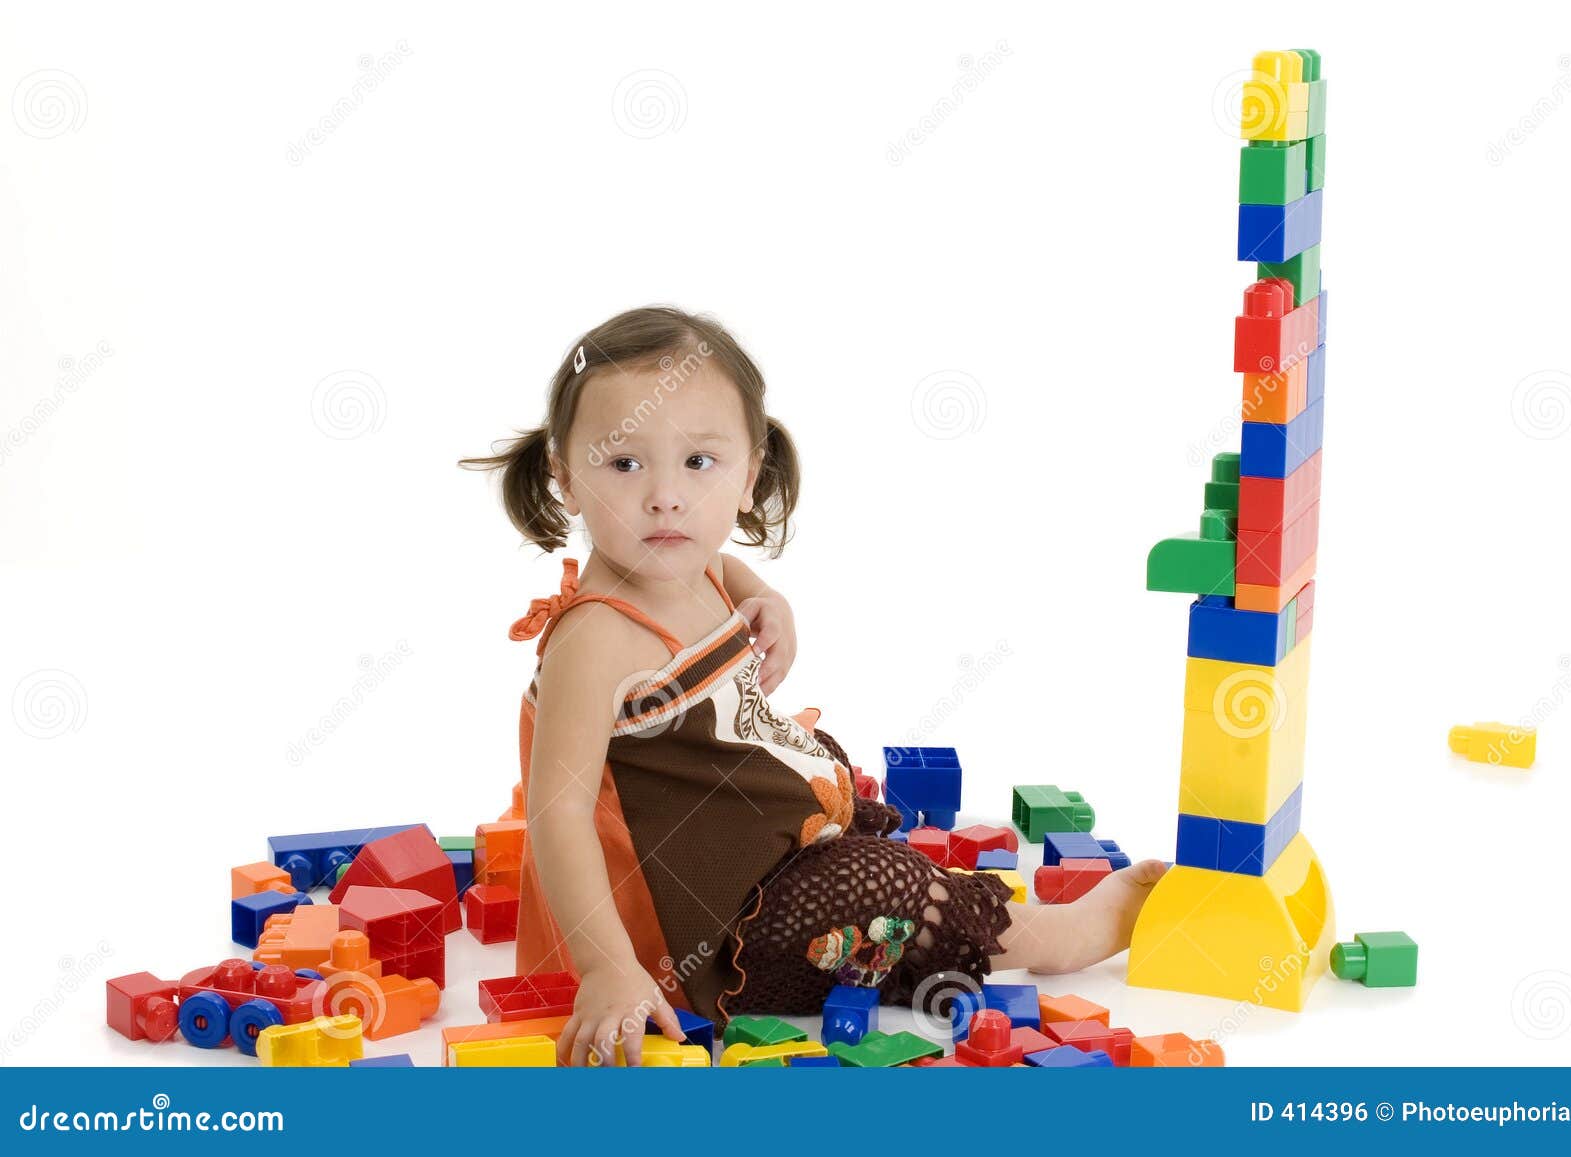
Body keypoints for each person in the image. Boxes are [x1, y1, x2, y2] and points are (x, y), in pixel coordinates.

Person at [459, 305, 1166, 1066]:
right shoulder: (595, 637)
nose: (664, 495)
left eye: (699, 462)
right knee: (886, 889)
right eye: (623, 463)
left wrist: (769, 597)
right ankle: (1062, 939)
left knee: (850, 808)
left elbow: (723, 568)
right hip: (717, 926)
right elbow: (557, 814)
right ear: (564, 474)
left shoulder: (693, 560)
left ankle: (897, 885)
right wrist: (607, 965)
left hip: (758, 835)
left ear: (748, 473)